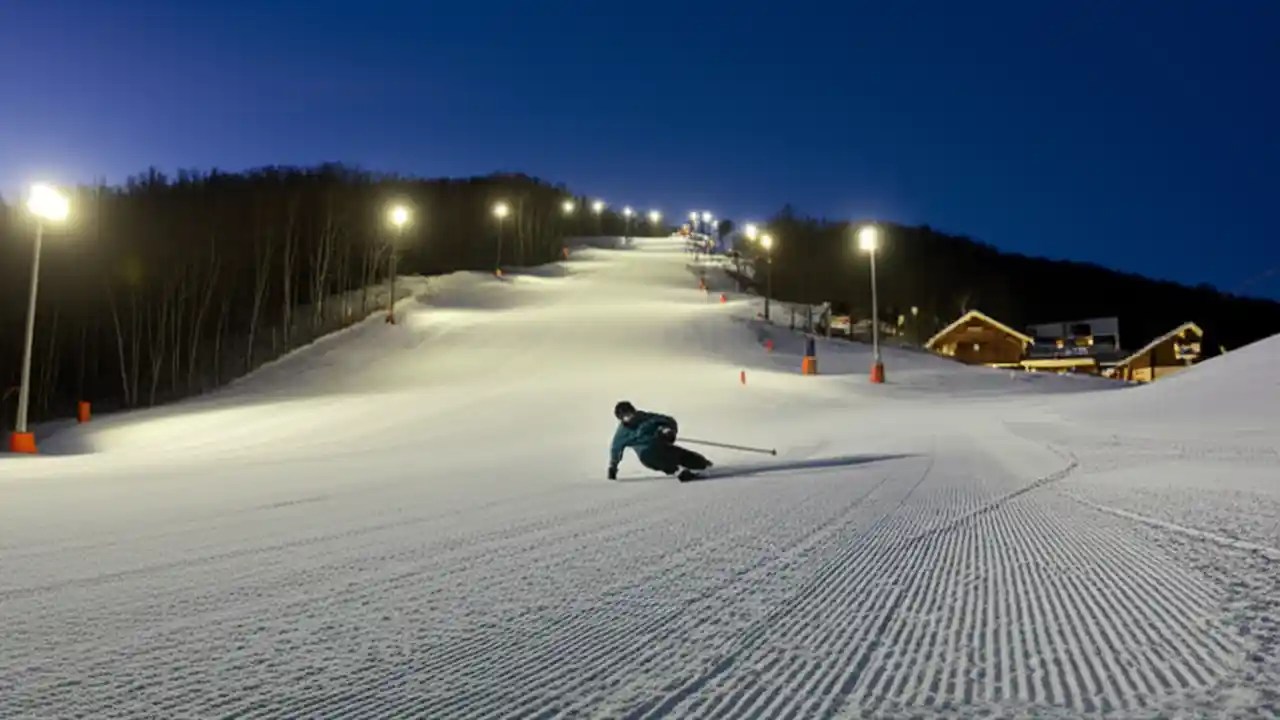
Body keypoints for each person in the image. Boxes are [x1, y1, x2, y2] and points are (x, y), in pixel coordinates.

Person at [608, 401, 712, 482]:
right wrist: (613, 467)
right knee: (655, 458)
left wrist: (669, 431)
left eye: (631, 414)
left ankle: (701, 464)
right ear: (621, 419)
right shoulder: (622, 433)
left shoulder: (645, 417)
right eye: (626, 416)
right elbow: (616, 449)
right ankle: (677, 471)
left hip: (661, 446)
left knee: (691, 459)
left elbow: (668, 420)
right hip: (646, 453)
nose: (630, 418)